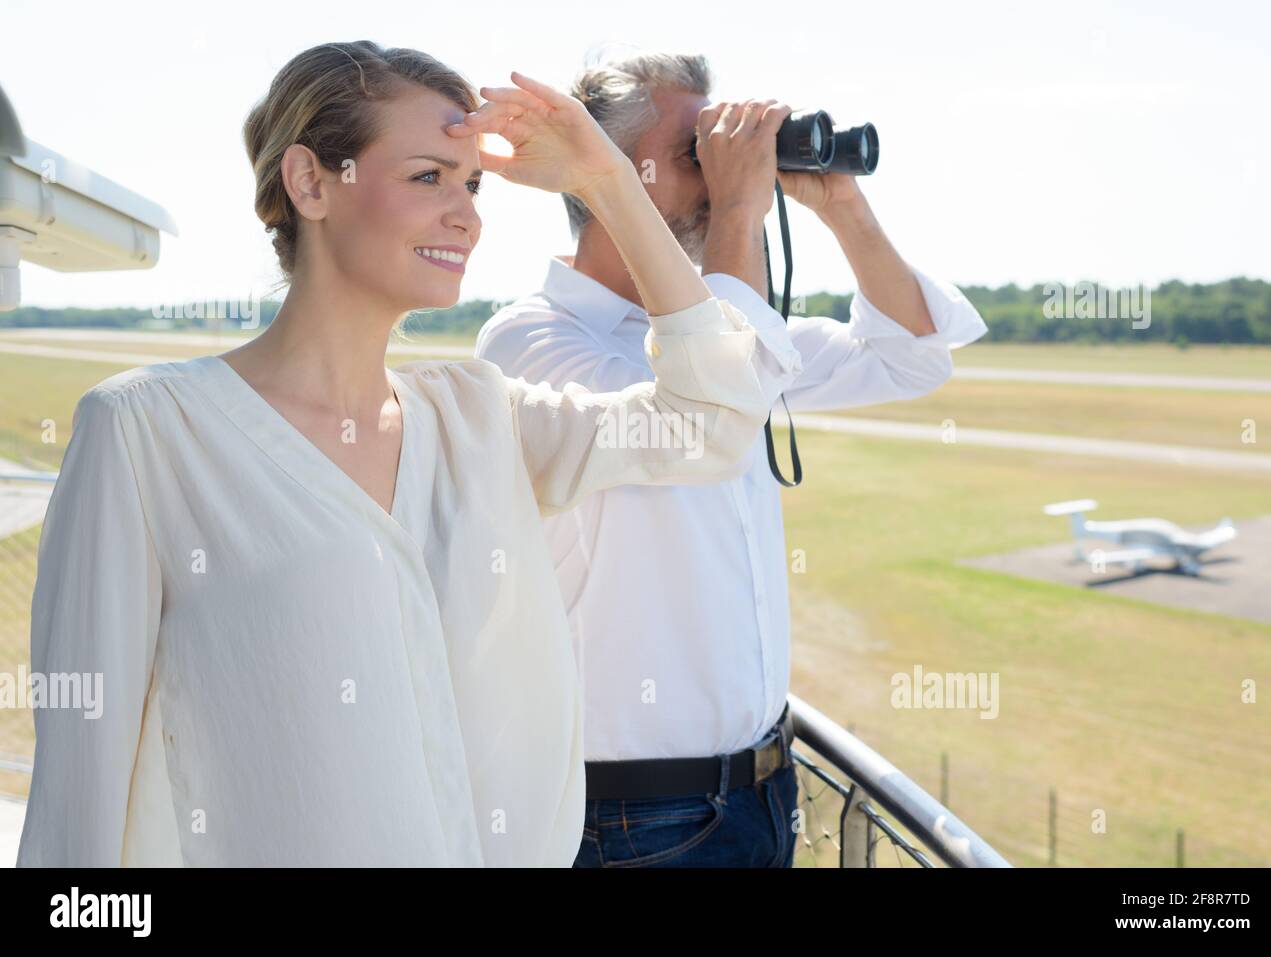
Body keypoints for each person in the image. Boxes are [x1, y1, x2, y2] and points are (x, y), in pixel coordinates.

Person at [16, 41, 799, 867]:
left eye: (471, 184)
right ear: (311, 182)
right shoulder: (146, 433)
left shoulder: (477, 416)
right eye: (428, 177)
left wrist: (604, 180)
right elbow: (80, 798)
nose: (466, 215)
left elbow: (713, 419)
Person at [475, 50, 988, 868]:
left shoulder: (734, 325)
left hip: (764, 790)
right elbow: (705, 402)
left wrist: (841, 205)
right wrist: (741, 212)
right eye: (696, 154)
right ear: (608, 175)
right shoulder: (532, 339)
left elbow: (912, 357)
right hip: (639, 817)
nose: (722, 172)